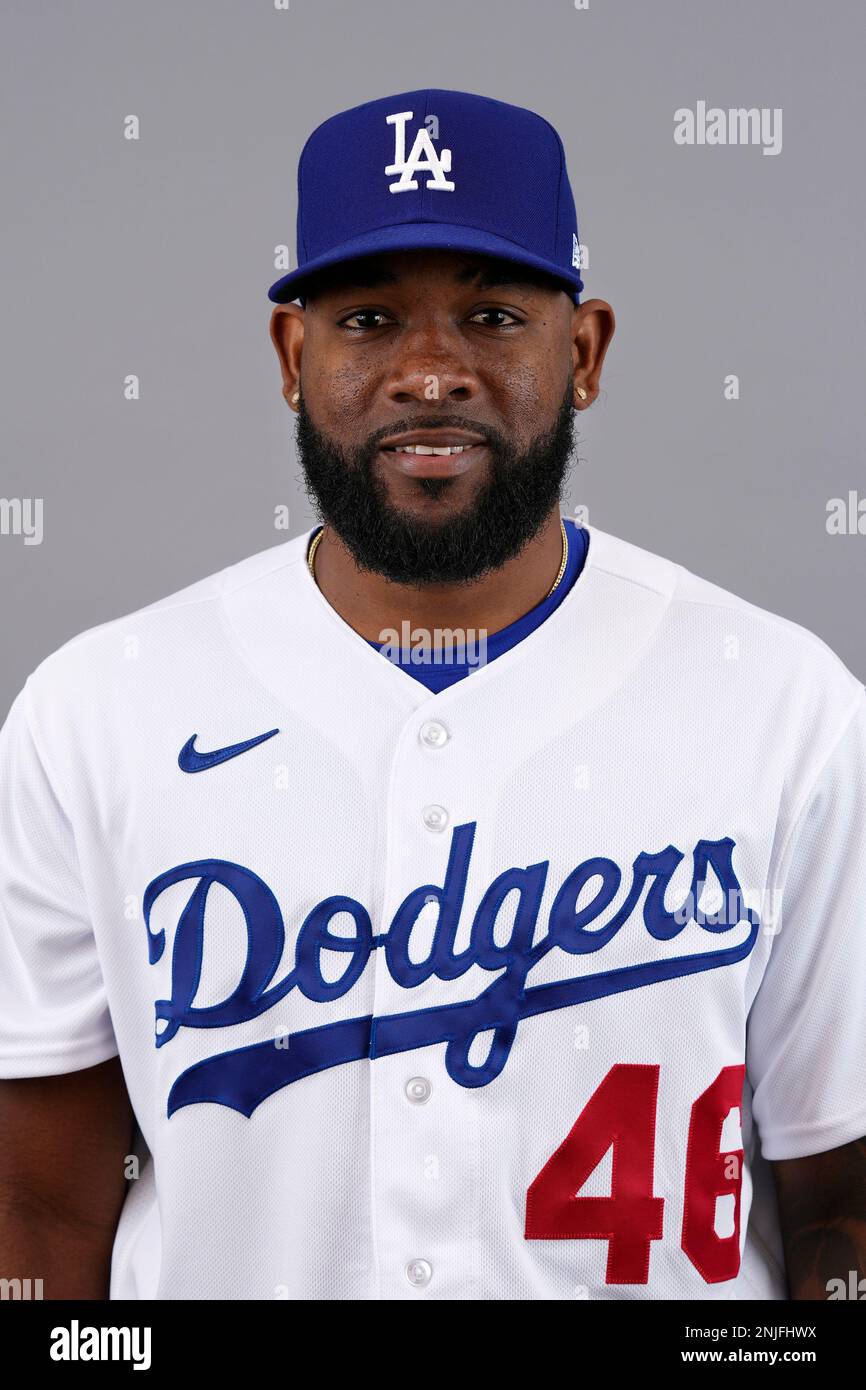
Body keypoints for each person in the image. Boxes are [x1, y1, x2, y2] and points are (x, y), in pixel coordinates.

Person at [1, 88, 865, 1301]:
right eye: (367, 318)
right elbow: (38, 1204)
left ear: (584, 352)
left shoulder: (786, 710)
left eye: (491, 314)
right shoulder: (94, 713)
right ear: (294, 359)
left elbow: (841, 1200)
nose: (427, 373)